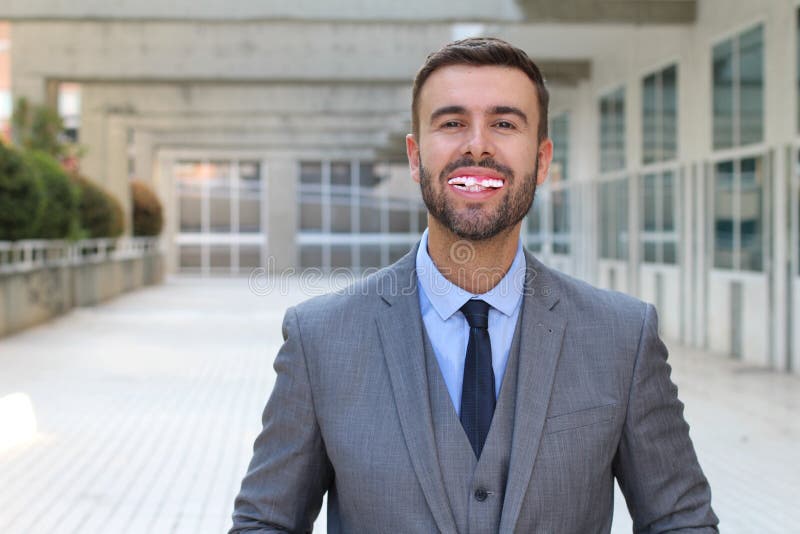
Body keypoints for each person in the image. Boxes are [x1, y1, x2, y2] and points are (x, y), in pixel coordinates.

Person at [229, 37, 718, 533]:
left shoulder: (622, 337)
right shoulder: (321, 339)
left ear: (542, 160)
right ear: (416, 158)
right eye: (452, 123)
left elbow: (682, 522)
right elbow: (264, 523)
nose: (477, 144)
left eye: (504, 124)